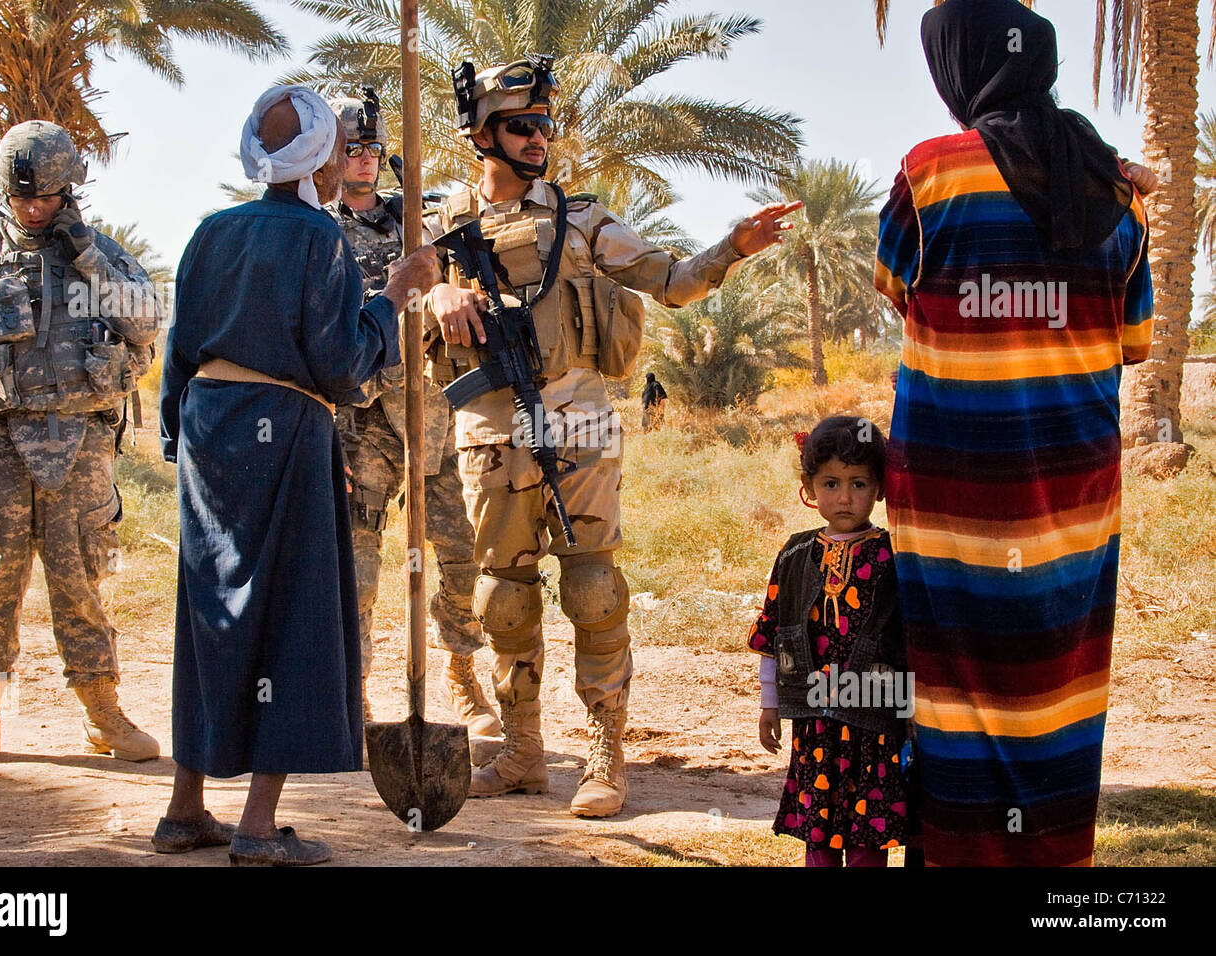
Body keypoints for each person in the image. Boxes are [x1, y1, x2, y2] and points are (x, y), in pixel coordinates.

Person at [424, 55, 803, 817]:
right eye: (521, 126)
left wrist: (732, 246)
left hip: (581, 420)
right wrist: (431, 292)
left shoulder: (582, 219)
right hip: (489, 426)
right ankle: (524, 752)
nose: (539, 138)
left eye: (544, 125)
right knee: (502, 596)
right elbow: (381, 304)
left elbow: (674, 282)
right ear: (481, 135)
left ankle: (606, 753)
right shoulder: (438, 225)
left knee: (593, 587)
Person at [875, 0, 1154, 866]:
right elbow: (1135, 342)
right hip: (1070, 494)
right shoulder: (1117, 190)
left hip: (952, 486)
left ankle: (956, 849)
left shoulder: (930, 173)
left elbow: (897, 285)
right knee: (1056, 677)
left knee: (952, 679)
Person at [153, 85, 440, 865]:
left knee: (210, 614)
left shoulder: (211, 232)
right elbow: (343, 365)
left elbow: (178, 355)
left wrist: (185, 445)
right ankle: (255, 825)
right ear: (319, 158)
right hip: (284, 436)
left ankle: (184, 811)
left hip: (210, 434)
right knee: (295, 615)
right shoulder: (320, 240)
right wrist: (394, 297)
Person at [0, 120, 161, 766]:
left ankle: (103, 711)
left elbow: (145, 320)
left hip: (79, 439)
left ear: (70, 191)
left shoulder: (99, 254)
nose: (33, 208)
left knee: (78, 573)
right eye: (23, 197)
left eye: (47, 197)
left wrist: (87, 257)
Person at [325, 91, 499, 758]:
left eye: (371, 149)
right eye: (350, 149)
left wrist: (450, 286)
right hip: (359, 420)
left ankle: (460, 679)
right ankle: (356, 692)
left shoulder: (421, 225)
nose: (363, 161)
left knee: (458, 553)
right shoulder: (318, 229)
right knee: (357, 560)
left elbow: (472, 289)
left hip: (433, 408)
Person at [751, 417, 913, 866]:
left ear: (880, 488)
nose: (845, 497)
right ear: (809, 487)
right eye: (831, 483)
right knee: (818, 837)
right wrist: (770, 705)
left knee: (866, 838)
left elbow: (908, 640)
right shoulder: (795, 554)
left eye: (858, 483)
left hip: (872, 724)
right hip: (814, 723)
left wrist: (911, 712)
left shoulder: (892, 554)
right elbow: (775, 635)